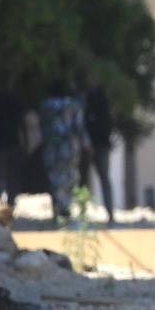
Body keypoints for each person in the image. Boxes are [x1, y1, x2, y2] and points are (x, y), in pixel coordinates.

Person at [38, 80, 91, 219]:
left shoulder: (45, 105)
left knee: (53, 177)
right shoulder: (73, 105)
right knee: (70, 176)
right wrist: (86, 144)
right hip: (70, 147)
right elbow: (79, 127)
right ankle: (66, 206)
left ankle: (56, 206)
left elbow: (42, 126)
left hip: (51, 147)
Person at [78, 72, 116, 223]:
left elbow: (80, 124)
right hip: (102, 143)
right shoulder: (103, 98)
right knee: (104, 178)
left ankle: (83, 214)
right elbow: (111, 120)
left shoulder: (83, 98)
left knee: (84, 179)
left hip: (89, 145)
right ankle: (110, 213)